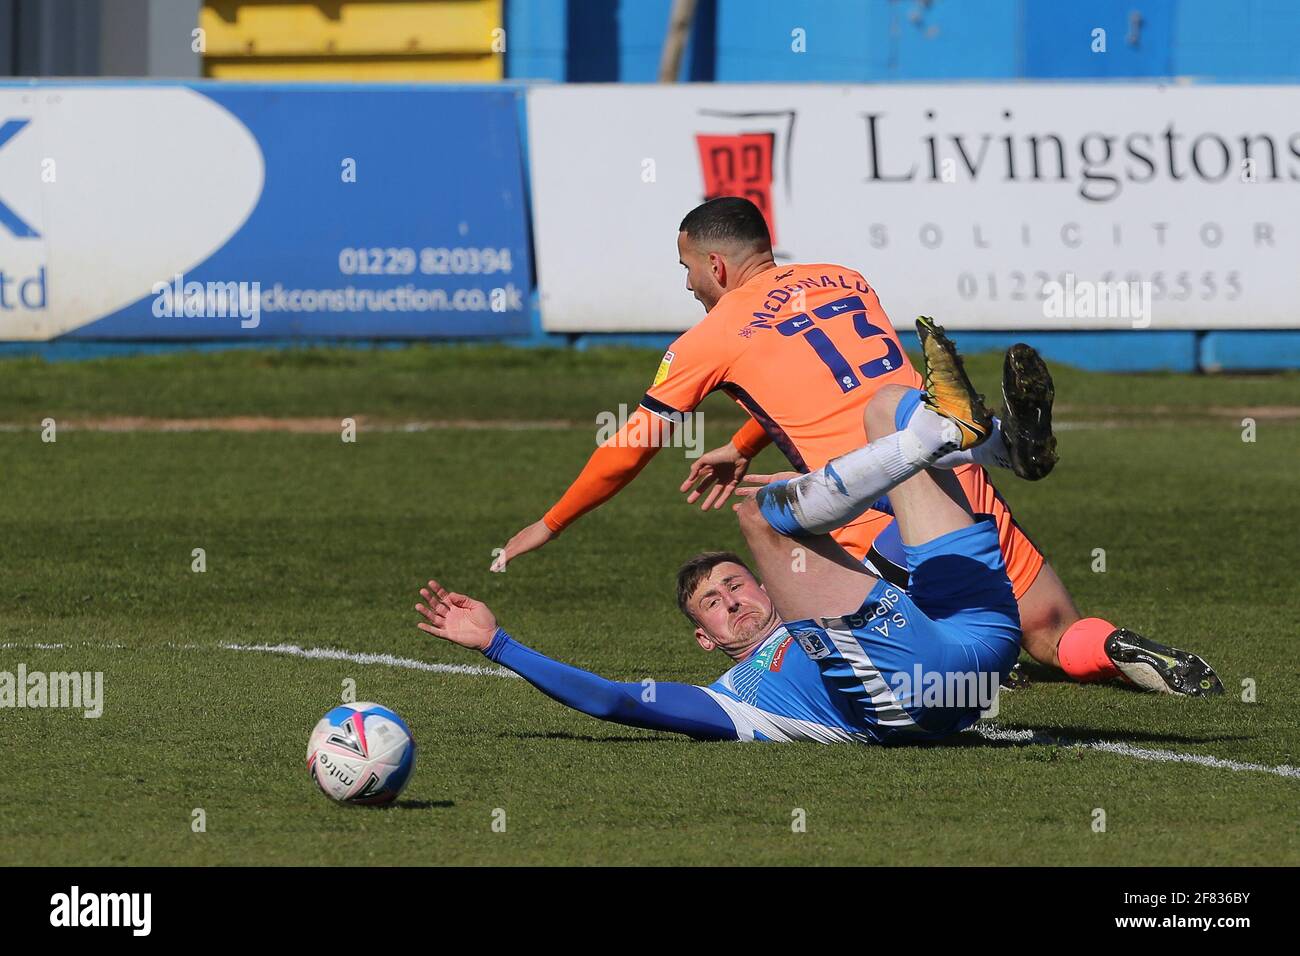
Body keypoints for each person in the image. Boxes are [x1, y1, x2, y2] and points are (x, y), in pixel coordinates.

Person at [492, 197, 1220, 696]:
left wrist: (550, 521)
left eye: (686, 268)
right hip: (952, 461)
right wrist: (747, 440)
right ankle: (1114, 640)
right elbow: (828, 374)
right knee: (1052, 629)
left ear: (716, 267)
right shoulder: (842, 277)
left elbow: (632, 445)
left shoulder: (706, 337)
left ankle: (974, 657)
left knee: (933, 640)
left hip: (877, 504)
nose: (686, 284)